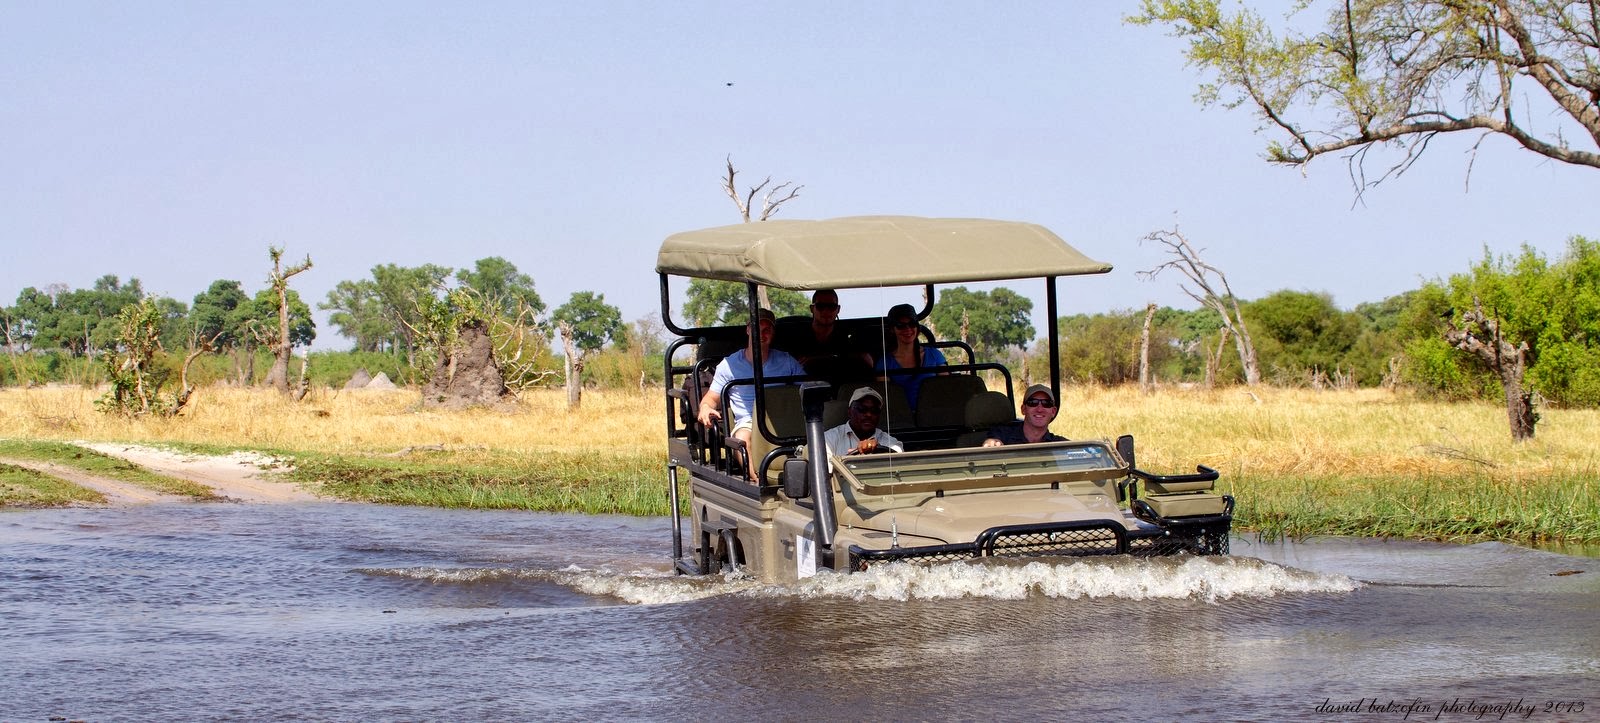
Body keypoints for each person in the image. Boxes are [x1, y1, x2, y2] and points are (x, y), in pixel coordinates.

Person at [696, 308, 807, 479]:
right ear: (748, 330)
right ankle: (758, 483)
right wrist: (705, 408)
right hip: (748, 422)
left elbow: (808, 389)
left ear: (773, 333)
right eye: (756, 329)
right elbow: (710, 398)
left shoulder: (786, 361)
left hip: (783, 420)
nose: (761, 335)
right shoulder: (729, 365)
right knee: (742, 440)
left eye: (766, 330)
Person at [775, 289, 872, 379]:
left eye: (831, 307)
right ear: (812, 308)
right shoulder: (796, 338)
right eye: (820, 306)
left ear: (838, 309)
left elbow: (867, 361)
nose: (826, 311)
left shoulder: (848, 338)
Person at [873, 303, 945, 410]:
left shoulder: (935, 355)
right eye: (901, 326)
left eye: (912, 324)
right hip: (901, 419)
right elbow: (887, 400)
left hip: (935, 415)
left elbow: (947, 391)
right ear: (892, 330)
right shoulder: (884, 363)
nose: (907, 329)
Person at [823, 387, 904, 458]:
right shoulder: (830, 439)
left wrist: (877, 448)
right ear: (849, 412)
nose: (868, 414)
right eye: (862, 409)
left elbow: (898, 453)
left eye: (874, 411)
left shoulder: (890, 442)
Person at [983, 384, 1068, 446]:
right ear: (1023, 409)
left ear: (1053, 411)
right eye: (1033, 403)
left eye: (1046, 403)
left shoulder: (1060, 445)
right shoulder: (1003, 436)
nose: (1039, 409)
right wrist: (992, 443)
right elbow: (992, 442)